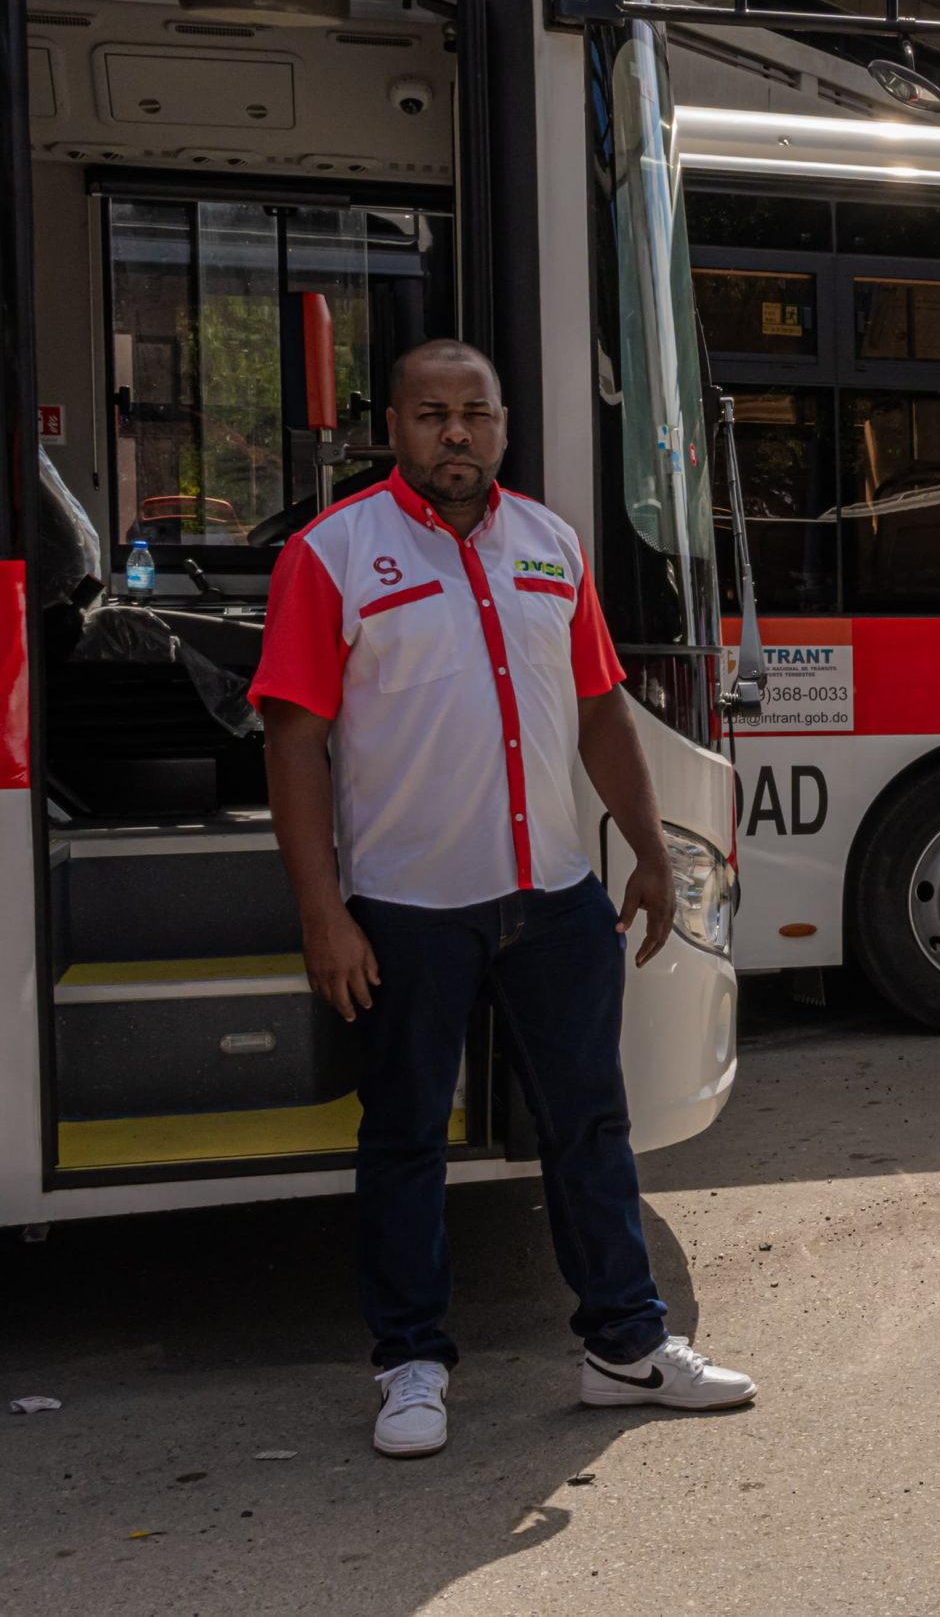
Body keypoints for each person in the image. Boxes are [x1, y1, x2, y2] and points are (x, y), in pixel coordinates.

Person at [251, 339, 755, 1460]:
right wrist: (323, 912)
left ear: (503, 426)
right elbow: (293, 739)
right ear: (394, 428)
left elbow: (601, 707)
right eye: (432, 413)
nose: (456, 433)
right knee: (404, 1138)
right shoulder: (332, 554)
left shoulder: (551, 543)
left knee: (591, 1124)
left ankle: (625, 1345)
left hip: (555, 899)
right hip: (407, 907)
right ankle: (410, 1363)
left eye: (475, 412)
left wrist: (649, 850)